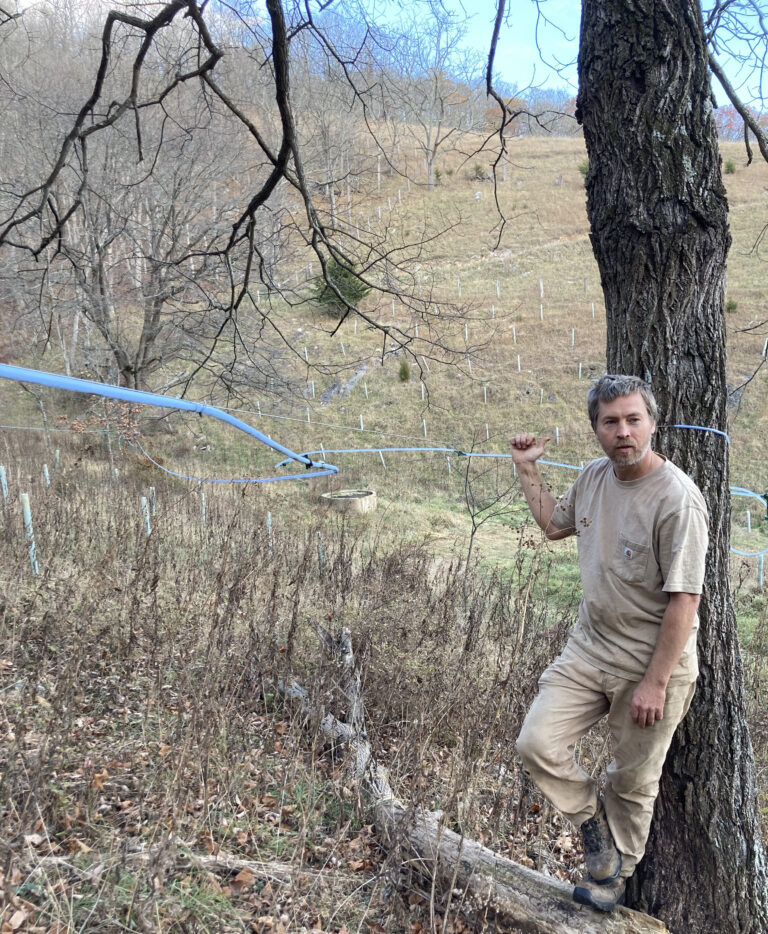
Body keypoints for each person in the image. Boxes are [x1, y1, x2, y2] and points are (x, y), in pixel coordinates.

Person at [510, 374, 708, 912]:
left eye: (633, 419)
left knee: (632, 781)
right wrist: (526, 468)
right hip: (589, 650)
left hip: (651, 664)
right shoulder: (594, 477)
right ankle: (591, 824)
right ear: (596, 429)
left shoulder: (677, 500)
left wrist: (655, 682)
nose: (623, 432)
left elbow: (685, 602)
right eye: (611, 422)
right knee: (537, 742)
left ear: (652, 423)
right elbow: (554, 525)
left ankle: (611, 880)